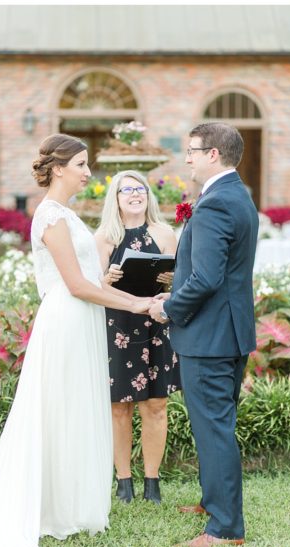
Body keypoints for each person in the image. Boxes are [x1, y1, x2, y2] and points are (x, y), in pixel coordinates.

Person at [0, 134, 152, 547]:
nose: (89, 172)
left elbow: (90, 278)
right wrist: (139, 304)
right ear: (60, 167)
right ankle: (53, 510)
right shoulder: (50, 215)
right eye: (82, 164)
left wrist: (116, 281)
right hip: (67, 319)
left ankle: (70, 505)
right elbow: (77, 285)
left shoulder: (65, 214)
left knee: (77, 410)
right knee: (60, 410)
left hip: (81, 317)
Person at [149, 122, 258, 547]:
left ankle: (226, 528)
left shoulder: (215, 205)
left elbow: (207, 278)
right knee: (216, 425)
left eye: (193, 150)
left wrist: (169, 306)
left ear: (213, 154)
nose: (187, 157)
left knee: (213, 429)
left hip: (210, 337)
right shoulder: (238, 195)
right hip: (229, 332)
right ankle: (214, 501)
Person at [95, 170, 180, 504]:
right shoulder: (104, 237)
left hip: (156, 322)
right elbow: (91, 286)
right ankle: (124, 481)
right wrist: (107, 278)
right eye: (125, 189)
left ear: (148, 195)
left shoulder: (165, 233)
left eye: (139, 188)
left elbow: (181, 284)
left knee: (156, 404)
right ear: (115, 198)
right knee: (120, 407)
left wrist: (172, 279)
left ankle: (152, 482)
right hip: (118, 324)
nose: (134, 194)